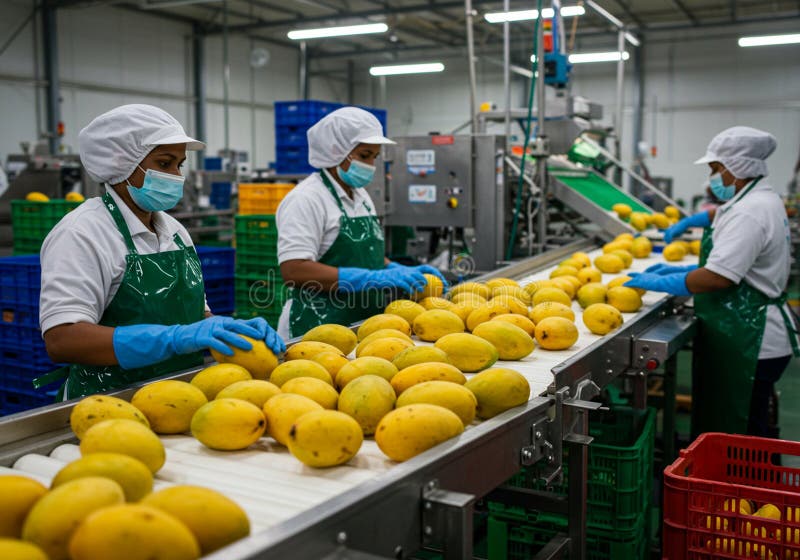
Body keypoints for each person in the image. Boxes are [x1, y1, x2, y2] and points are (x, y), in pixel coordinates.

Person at [38, 104, 284, 400]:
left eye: (180, 164)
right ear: (122, 164)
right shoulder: (81, 234)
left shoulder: (176, 233)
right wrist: (175, 338)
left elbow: (194, 315)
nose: (176, 176)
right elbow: (63, 339)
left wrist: (226, 330)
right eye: (165, 164)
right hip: (109, 402)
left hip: (181, 396)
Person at [626, 126, 799, 438]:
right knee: (746, 423)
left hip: (750, 337)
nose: (712, 179)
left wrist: (663, 281)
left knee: (740, 430)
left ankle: (740, 484)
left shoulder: (751, 211)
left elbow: (717, 278)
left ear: (739, 168)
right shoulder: (758, 197)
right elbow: (725, 214)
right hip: (747, 328)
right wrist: (691, 221)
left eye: (716, 170)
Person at [276, 107, 445, 339]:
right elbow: (294, 270)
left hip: (363, 323)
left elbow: (365, 252)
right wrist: (372, 278)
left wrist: (394, 269)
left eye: (374, 157)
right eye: (364, 155)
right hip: (317, 327)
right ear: (336, 152)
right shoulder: (306, 199)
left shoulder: (360, 194)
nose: (371, 166)